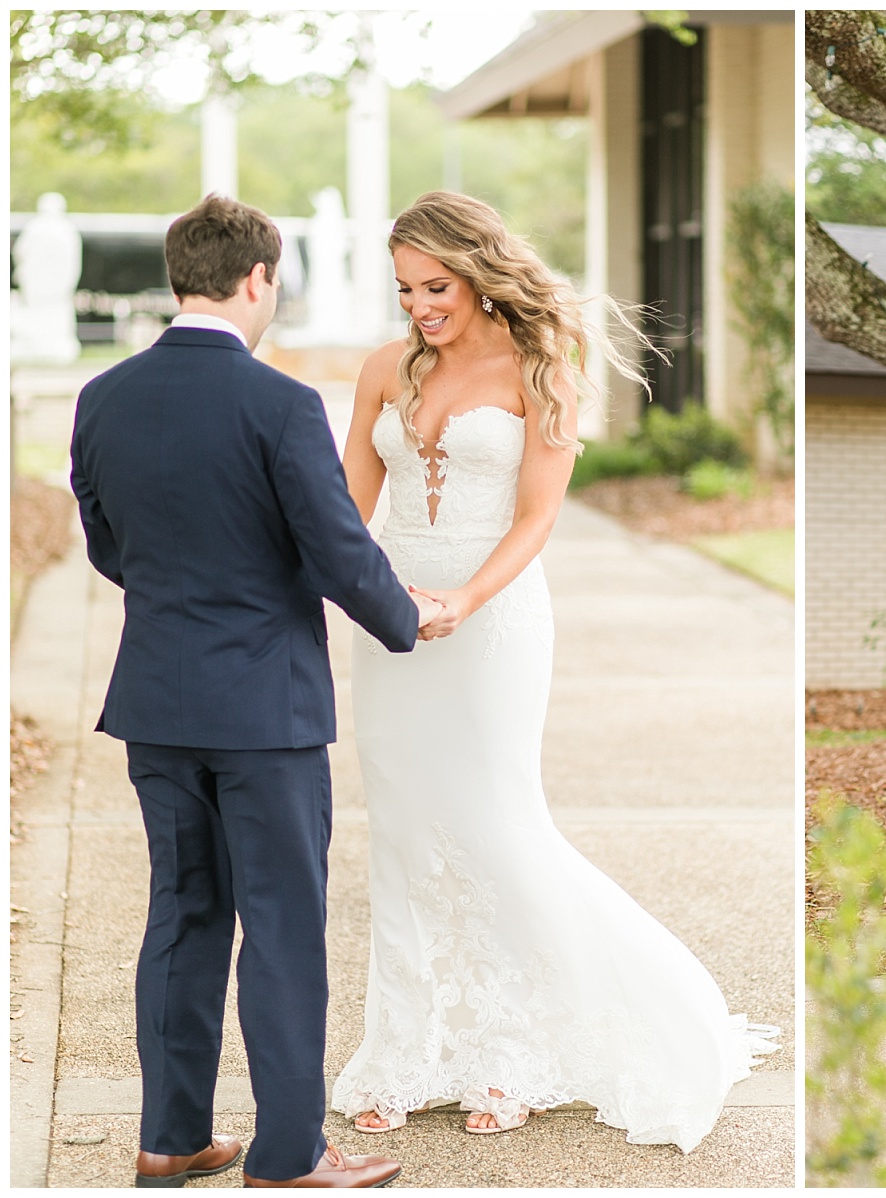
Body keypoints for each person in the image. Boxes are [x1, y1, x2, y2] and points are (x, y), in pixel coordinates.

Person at [330, 191, 777, 1149]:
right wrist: (365, 594)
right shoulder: (381, 370)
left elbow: (537, 518)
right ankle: (402, 1055)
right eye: (405, 289)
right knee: (403, 838)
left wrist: (464, 598)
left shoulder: (542, 369)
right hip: (392, 629)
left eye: (436, 286)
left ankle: (510, 1054)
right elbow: (344, 512)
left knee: (495, 827)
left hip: (492, 622)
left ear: (478, 272)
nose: (419, 305)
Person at [69, 194, 435, 1188]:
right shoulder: (280, 404)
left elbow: (110, 546)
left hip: (156, 699)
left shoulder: (103, 397)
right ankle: (288, 1154)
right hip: (266, 710)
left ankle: (170, 1138)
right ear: (258, 278)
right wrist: (407, 618)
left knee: (182, 914)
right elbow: (335, 548)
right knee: (281, 926)